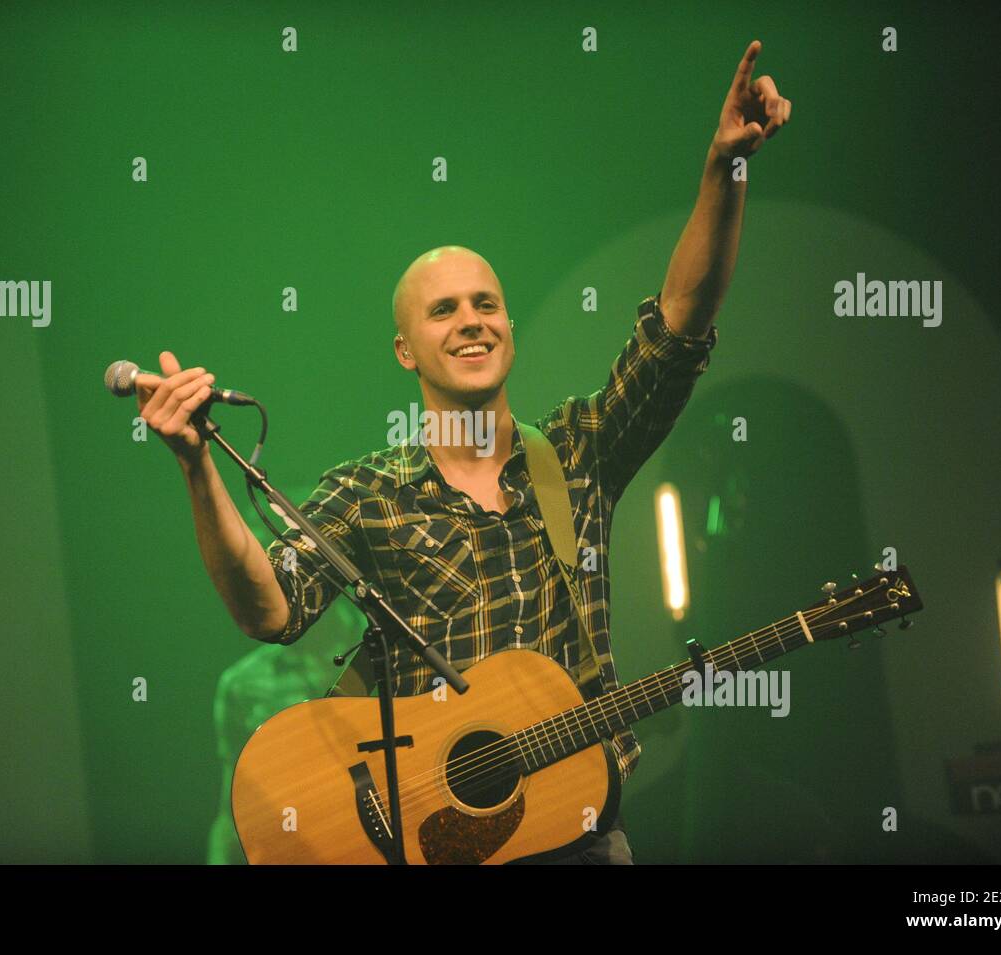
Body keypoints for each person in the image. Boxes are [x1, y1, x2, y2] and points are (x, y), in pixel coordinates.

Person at [138, 40, 790, 864]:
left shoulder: (580, 453)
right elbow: (267, 607)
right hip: (427, 844)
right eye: (444, 310)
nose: (472, 319)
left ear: (511, 330)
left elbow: (682, 318)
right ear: (407, 349)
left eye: (487, 303)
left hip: (579, 835)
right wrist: (198, 467)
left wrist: (724, 170)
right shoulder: (369, 493)